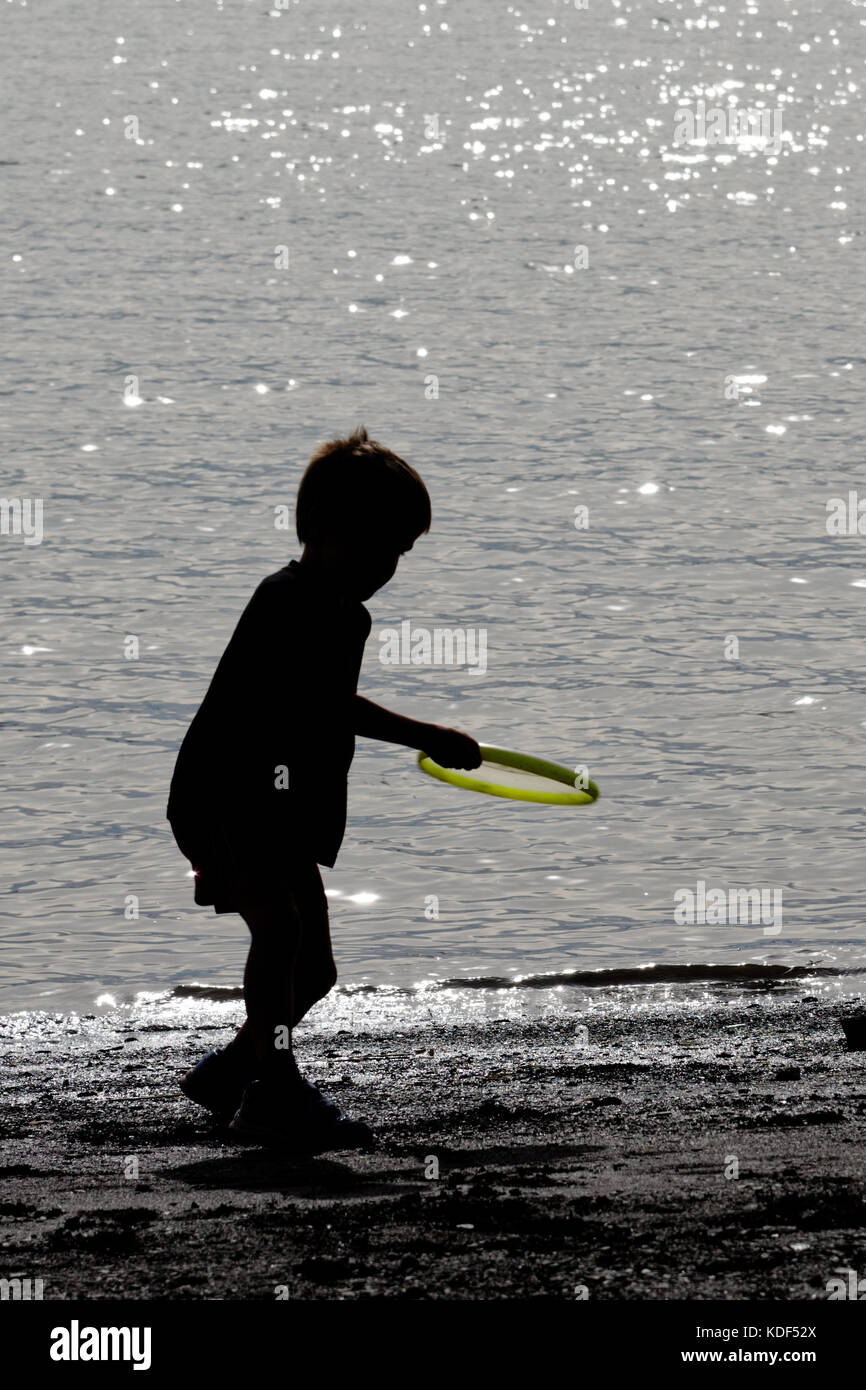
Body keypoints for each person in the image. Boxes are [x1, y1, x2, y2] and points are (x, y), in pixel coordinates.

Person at [167, 427, 481, 1149]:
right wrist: (427, 735)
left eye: (400, 553)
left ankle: (232, 1074)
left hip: (278, 811)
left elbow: (326, 707)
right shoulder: (286, 600)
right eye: (379, 546)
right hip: (223, 798)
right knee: (280, 929)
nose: (387, 567)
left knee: (313, 970)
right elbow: (323, 703)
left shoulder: (347, 615)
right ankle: (274, 1092)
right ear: (328, 531)